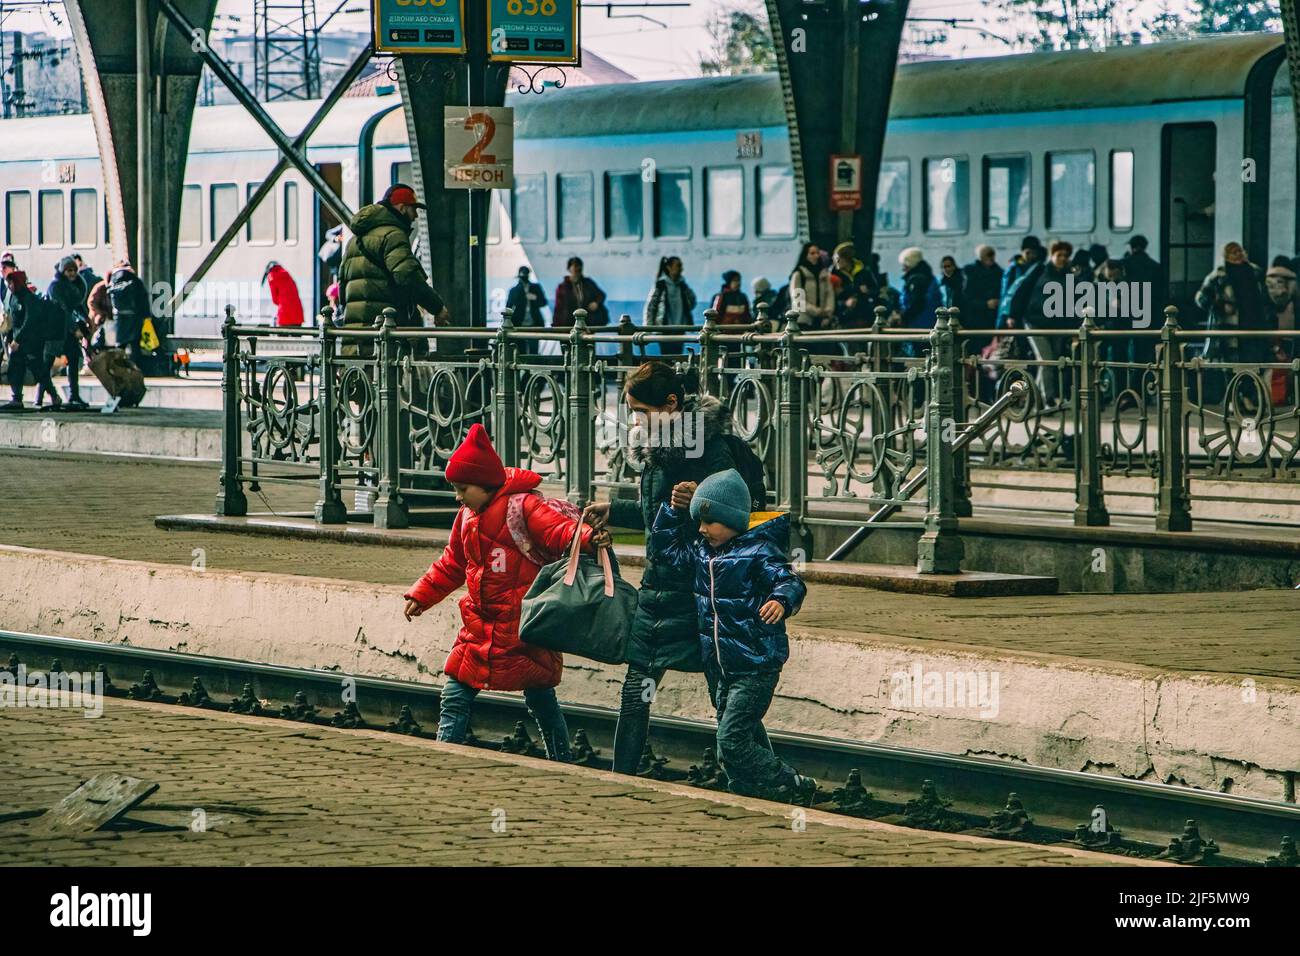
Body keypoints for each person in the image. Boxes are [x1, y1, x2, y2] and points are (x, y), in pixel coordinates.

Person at [402, 423, 609, 758]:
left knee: (541, 697)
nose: (458, 497)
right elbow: (453, 561)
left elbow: (559, 531)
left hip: (525, 626)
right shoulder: (467, 516)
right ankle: (444, 754)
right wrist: (422, 594)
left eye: (462, 488)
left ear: (484, 484)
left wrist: (586, 538)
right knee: (457, 691)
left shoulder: (523, 507)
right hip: (479, 624)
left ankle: (562, 760)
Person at [584, 361, 750, 776]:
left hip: (700, 587)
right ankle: (621, 776)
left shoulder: (711, 447)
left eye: (641, 411)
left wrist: (700, 500)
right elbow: (655, 512)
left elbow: (740, 511)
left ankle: (751, 773)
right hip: (658, 583)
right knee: (638, 685)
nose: (635, 421)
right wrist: (615, 511)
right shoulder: (657, 447)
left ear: (672, 403)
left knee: (721, 688)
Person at [649, 469, 814, 803]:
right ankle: (755, 791)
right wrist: (671, 511)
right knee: (742, 734)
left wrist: (780, 601)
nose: (702, 529)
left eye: (710, 522)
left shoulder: (758, 552)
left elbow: (790, 581)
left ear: (733, 520)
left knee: (731, 741)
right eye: (699, 521)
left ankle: (793, 782)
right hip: (719, 666)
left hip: (755, 665)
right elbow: (665, 552)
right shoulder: (701, 552)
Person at [338, 183, 448, 355]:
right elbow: (408, 277)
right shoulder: (393, 236)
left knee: (360, 379)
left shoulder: (354, 240)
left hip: (355, 336)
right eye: (414, 209)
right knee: (391, 380)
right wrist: (437, 308)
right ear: (402, 208)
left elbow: (342, 287)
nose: (416, 216)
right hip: (385, 337)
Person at [1025, 240, 1075, 406]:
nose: (1062, 258)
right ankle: (1048, 399)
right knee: (1047, 360)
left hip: (1056, 324)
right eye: (1059, 255)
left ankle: (1038, 400)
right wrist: (1010, 316)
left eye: (1065, 255)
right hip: (1036, 322)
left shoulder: (1069, 276)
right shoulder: (1040, 270)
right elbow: (1022, 290)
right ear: (1052, 255)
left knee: (1050, 361)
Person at [3, 270, 61, 410]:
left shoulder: (29, 299)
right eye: (9, 283)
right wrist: (10, 337)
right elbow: (13, 320)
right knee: (15, 368)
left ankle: (54, 395)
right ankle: (16, 398)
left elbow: (30, 321)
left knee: (38, 369)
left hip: (32, 341)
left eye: (12, 282)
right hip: (18, 342)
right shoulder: (13, 298)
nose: (10, 286)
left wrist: (18, 338)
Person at [42, 256, 89, 409]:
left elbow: (76, 305)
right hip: (54, 329)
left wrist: (86, 318)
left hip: (65, 330)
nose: (72, 273)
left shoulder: (73, 287)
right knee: (47, 363)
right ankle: (40, 395)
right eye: (69, 270)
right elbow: (63, 310)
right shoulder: (55, 287)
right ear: (63, 271)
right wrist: (75, 328)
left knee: (74, 358)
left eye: (74, 270)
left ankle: (74, 395)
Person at [643, 256, 696, 354]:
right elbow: (651, 307)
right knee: (667, 355)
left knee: (677, 356)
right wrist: (648, 328)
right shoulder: (661, 285)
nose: (681, 269)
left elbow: (692, 301)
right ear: (669, 267)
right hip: (664, 329)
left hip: (680, 328)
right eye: (678, 266)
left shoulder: (682, 285)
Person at [997, 235, 1045, 328]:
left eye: (1034, 253)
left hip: (1024, 311)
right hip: (1008, 310)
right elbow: (1005, 292)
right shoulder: (1013, 268)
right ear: (1022, 251)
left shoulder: (1038, 268)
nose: (1031, 256)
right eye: (1028, 253)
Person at [962, 244, 1003, 351]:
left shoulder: (999, 272)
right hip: (975, 319)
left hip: (991, 319)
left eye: (992, 254)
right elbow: (966, 299)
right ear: (981, 256)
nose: (991, 257)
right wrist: (985, 304)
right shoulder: (970, 272)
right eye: (988, 255)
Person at [830, 242, 878, 329]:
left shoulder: (864, 272)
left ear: (846, 259)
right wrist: (845, 303)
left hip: (863, 316)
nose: (835, 261)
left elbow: (876, 291)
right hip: (843, 317)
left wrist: (867, 291)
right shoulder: (833, 275)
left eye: (838, 259)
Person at [789, 242, 834, 330]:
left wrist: (828, 313)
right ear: (806, 255)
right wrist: (817, 311)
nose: (816, 256)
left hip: (822, 321)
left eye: (817, 253)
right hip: (804, 320)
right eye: (812, 253)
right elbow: (798, 300)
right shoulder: (799, 274)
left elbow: (829, 295)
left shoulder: (824, 274)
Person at [553, 256, 608, 328]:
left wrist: (596, 303)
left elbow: (601, 295)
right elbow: (558, 308)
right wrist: (556, 325)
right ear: (569, 269)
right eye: (575, 267)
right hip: (568, 324)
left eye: (579, 267)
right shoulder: (562, 287)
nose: (577, 269)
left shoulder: (588, 283)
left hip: (588, 323)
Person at [506, 266, 548, 356]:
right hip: (519, 324)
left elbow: (543, 302)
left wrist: (535, 298)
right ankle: (524, 369)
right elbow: (509, 307)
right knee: (520, 351)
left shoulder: (535, 287)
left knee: (534, 351)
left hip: (534, 323)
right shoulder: (514, 290)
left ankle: (532, 368)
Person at [263, 261, 304, 328]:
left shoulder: (271, 276)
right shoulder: (286, 273)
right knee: (297, 336)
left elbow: (274, 299)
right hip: (297, 313)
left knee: (282, 336)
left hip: (284, 314)